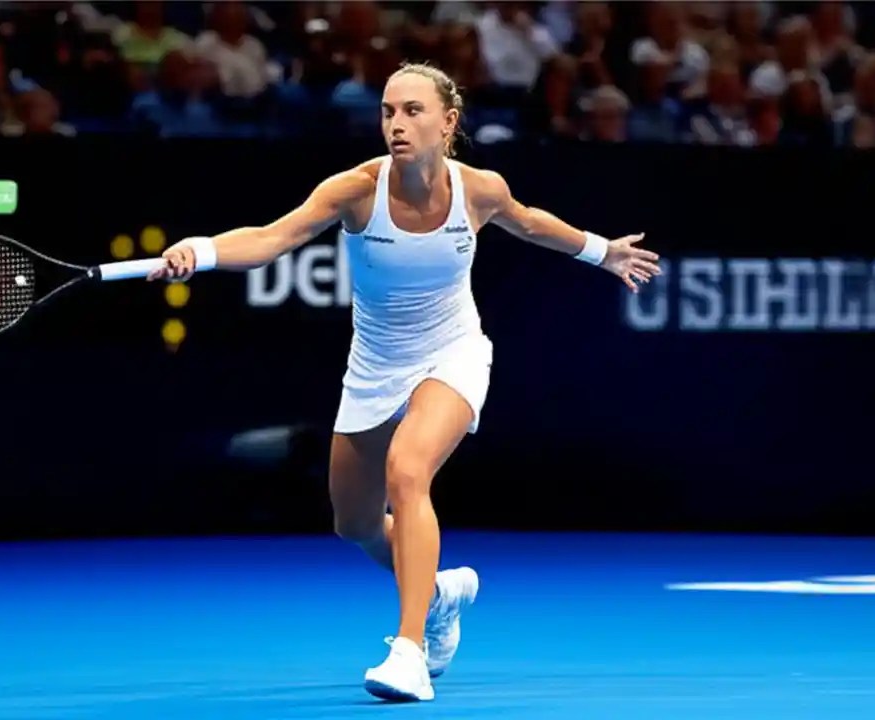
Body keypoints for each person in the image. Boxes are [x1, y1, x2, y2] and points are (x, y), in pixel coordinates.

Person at [147, 61, 661, 702]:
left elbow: (531, 222)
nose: (397, 123)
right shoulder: (356, 190)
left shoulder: (478, 189)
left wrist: (601, 250)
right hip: (374, 367)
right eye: (389, 111)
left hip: (453, 354)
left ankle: (410, 651)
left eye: (413, 111)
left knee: (408, 472)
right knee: (355, 525)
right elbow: (273, 238)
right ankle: (440, 592)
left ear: (448, 123)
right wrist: (201, 249)